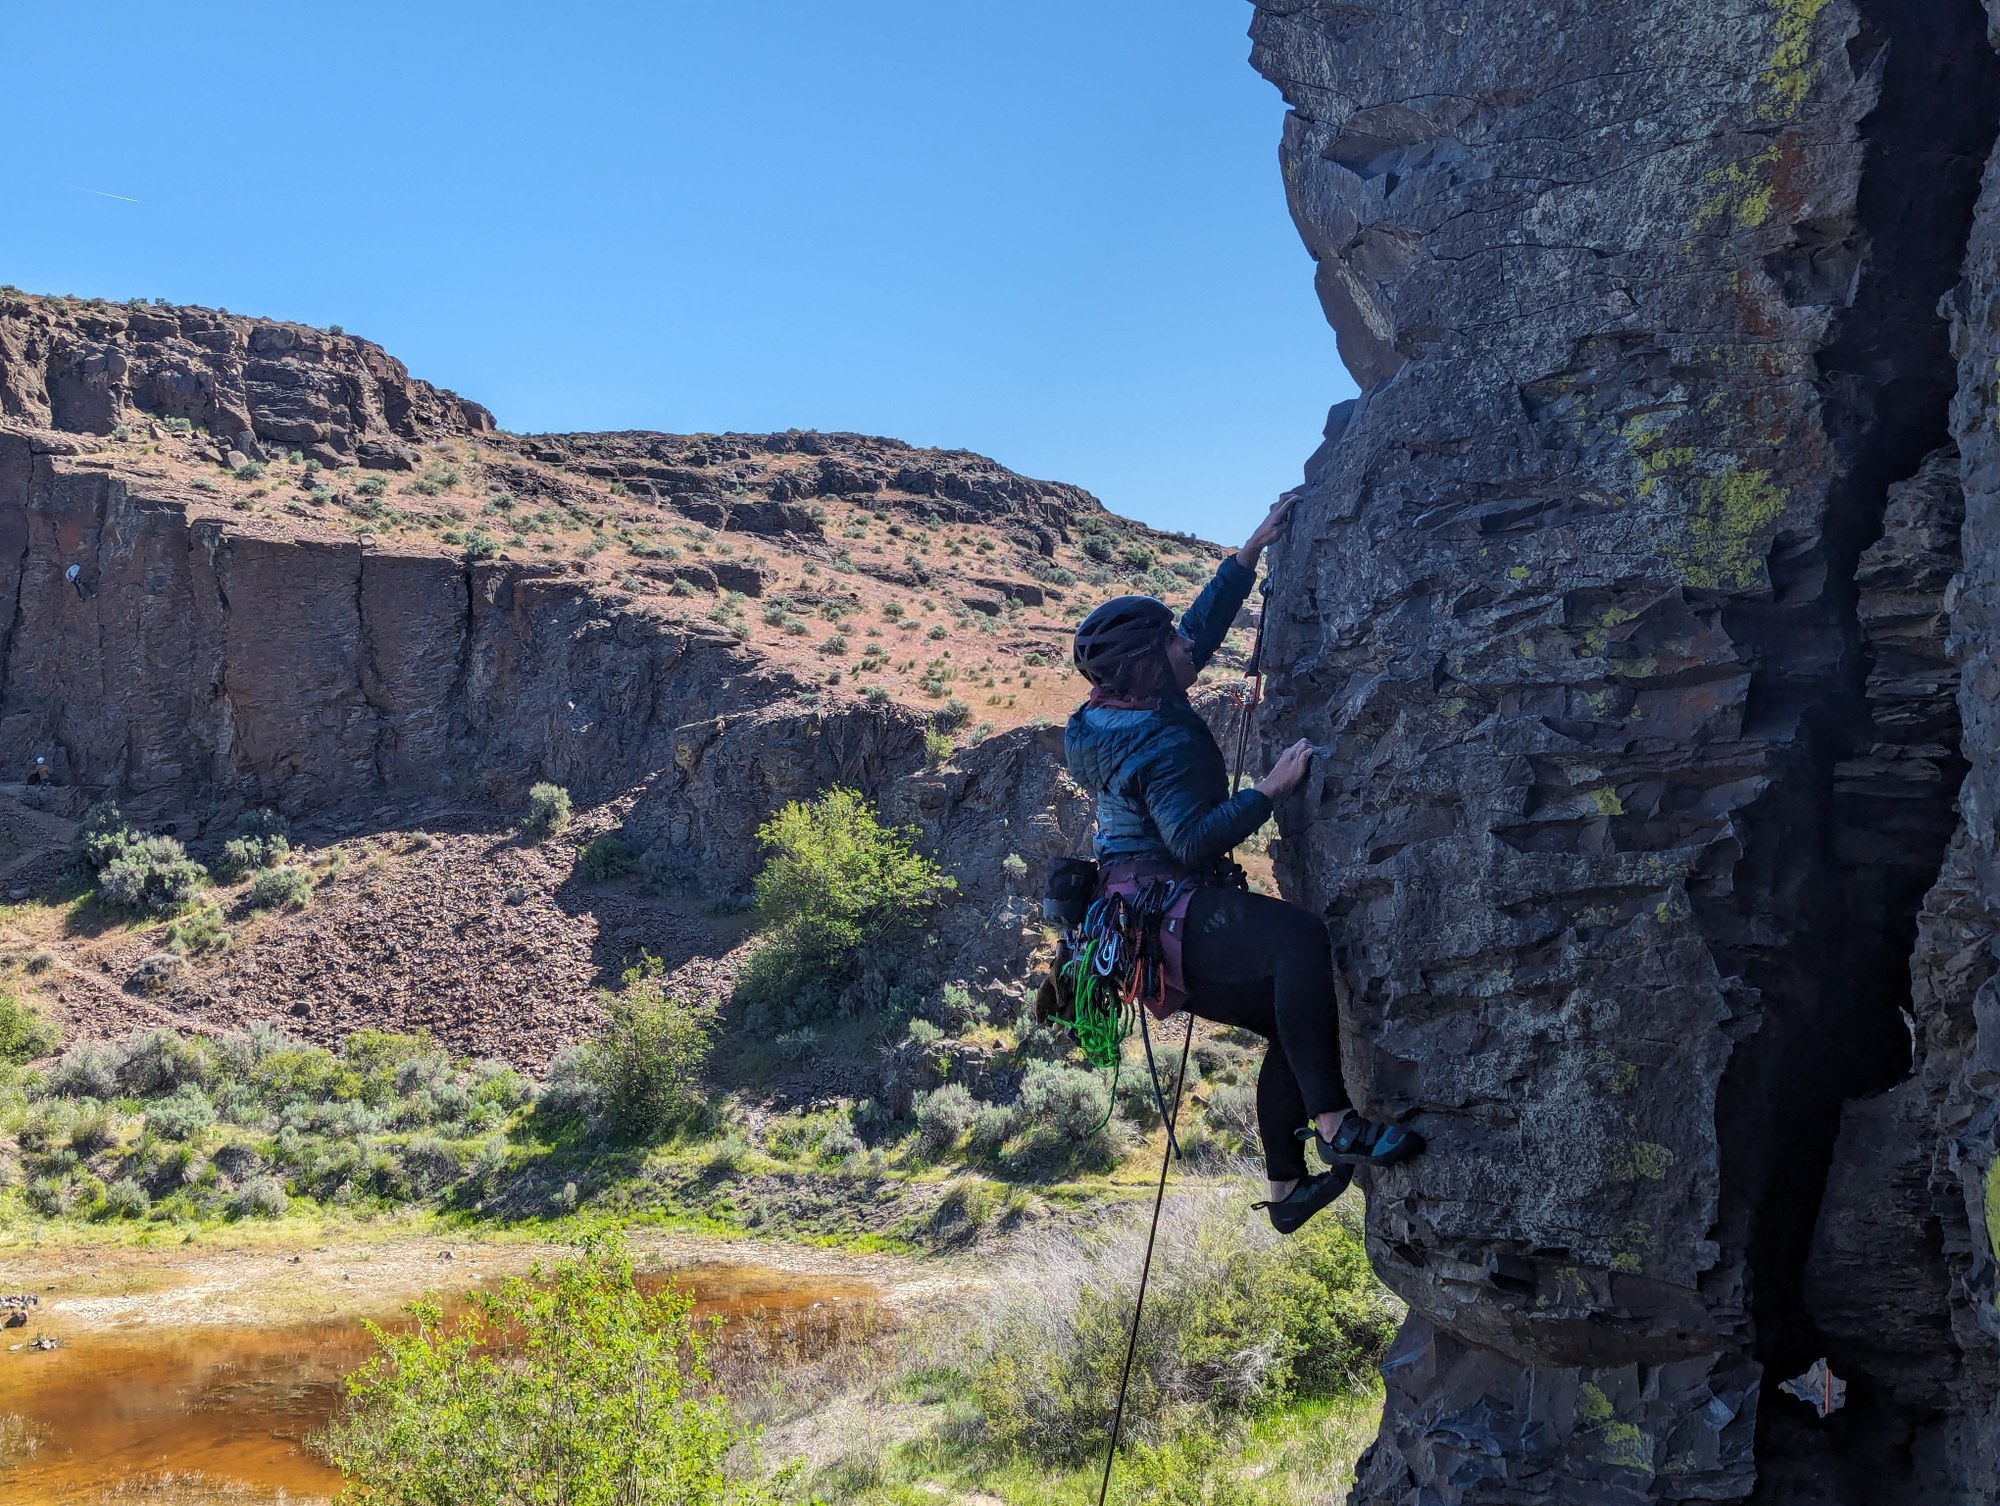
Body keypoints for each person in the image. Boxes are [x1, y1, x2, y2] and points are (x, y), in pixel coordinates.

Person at [1063, 491, 1423, 1233]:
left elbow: (1195, 631)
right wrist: (1269, 789)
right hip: (1171, 912)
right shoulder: (1160, 744)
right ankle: (1331, 1126)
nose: (1185, 646)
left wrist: (1248, 553)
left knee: (1294, 1024)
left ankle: (1288, 1190)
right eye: (1168, 645)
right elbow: (1193, 840)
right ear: (1148, 670)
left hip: (1136, 920)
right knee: (1300, 943)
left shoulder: (1104, 713)